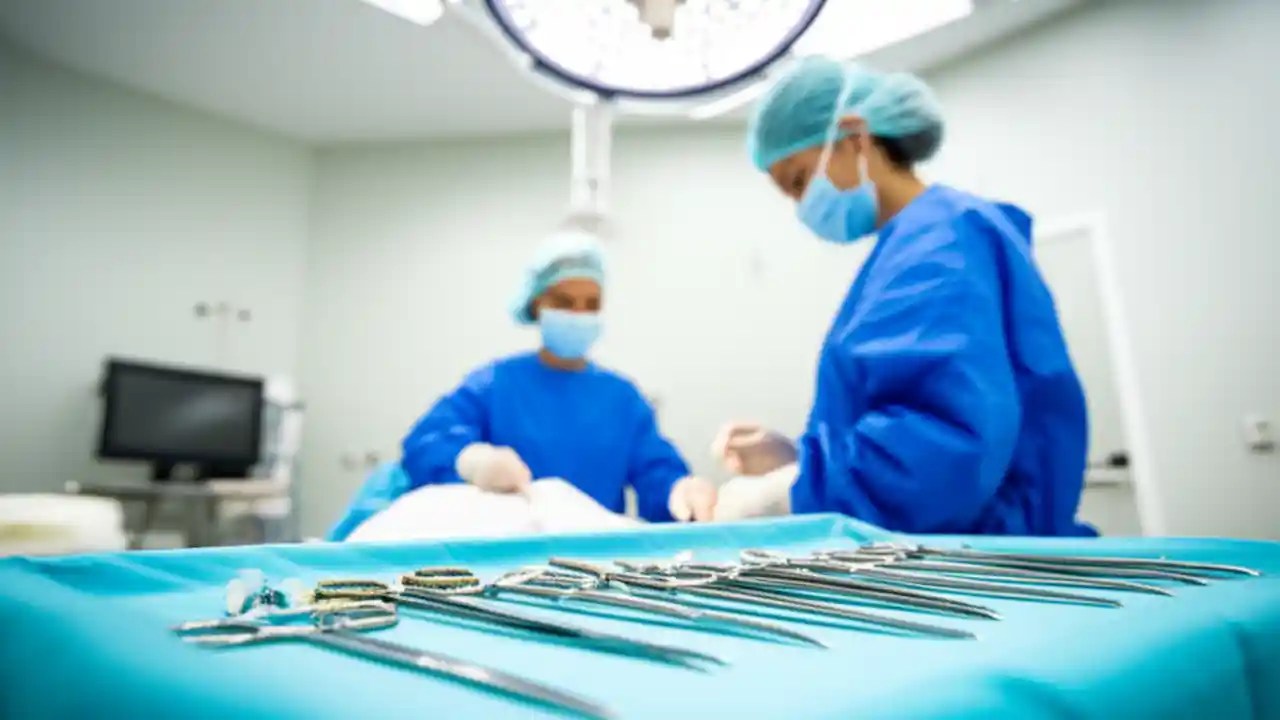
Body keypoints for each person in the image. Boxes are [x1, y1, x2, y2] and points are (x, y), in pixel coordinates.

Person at [711, 57, 1094, 536]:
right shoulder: (922, 242)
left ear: (853, 138)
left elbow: (941, 447)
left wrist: (783, 496)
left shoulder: (940, 242)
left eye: (800, 180)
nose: (800, 206)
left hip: (975, 563)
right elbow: (926, 407)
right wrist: (800, 459)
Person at [400, 230, 716, 523]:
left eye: (591, 304)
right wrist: (472, 461)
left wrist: (680, 490)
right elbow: (426, 442)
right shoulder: (496, 385)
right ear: (537, 303)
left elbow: (655, 471)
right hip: (508, 551)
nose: (579, 314)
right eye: (565, 303)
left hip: (597, 560)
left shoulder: (621, 398)